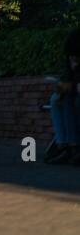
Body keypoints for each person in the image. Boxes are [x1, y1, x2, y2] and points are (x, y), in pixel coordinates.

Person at [45, 28, 80, 164]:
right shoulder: (70, 59)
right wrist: (61, 87)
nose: (72, 59)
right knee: (56, 100)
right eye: (70, 57)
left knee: (73, 101)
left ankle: (73, 145)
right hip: (74, 93)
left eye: (75, 57)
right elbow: (66, 78)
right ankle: (63, 143)